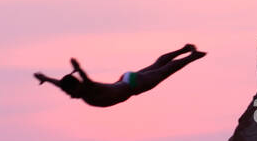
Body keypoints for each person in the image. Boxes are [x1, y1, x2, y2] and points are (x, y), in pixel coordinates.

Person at [34, 44, 205, 107]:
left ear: (77, 86)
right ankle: (183, 49)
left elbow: (86, 80)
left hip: (135, 84)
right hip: (126, 78)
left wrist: (79, 70)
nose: (71, 96)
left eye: (71, 92)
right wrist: (47, 79)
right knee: (158, 65)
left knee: (165, 69)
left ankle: (191, 56)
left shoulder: (88, 90)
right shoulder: (81, 91)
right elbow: (62, 85)